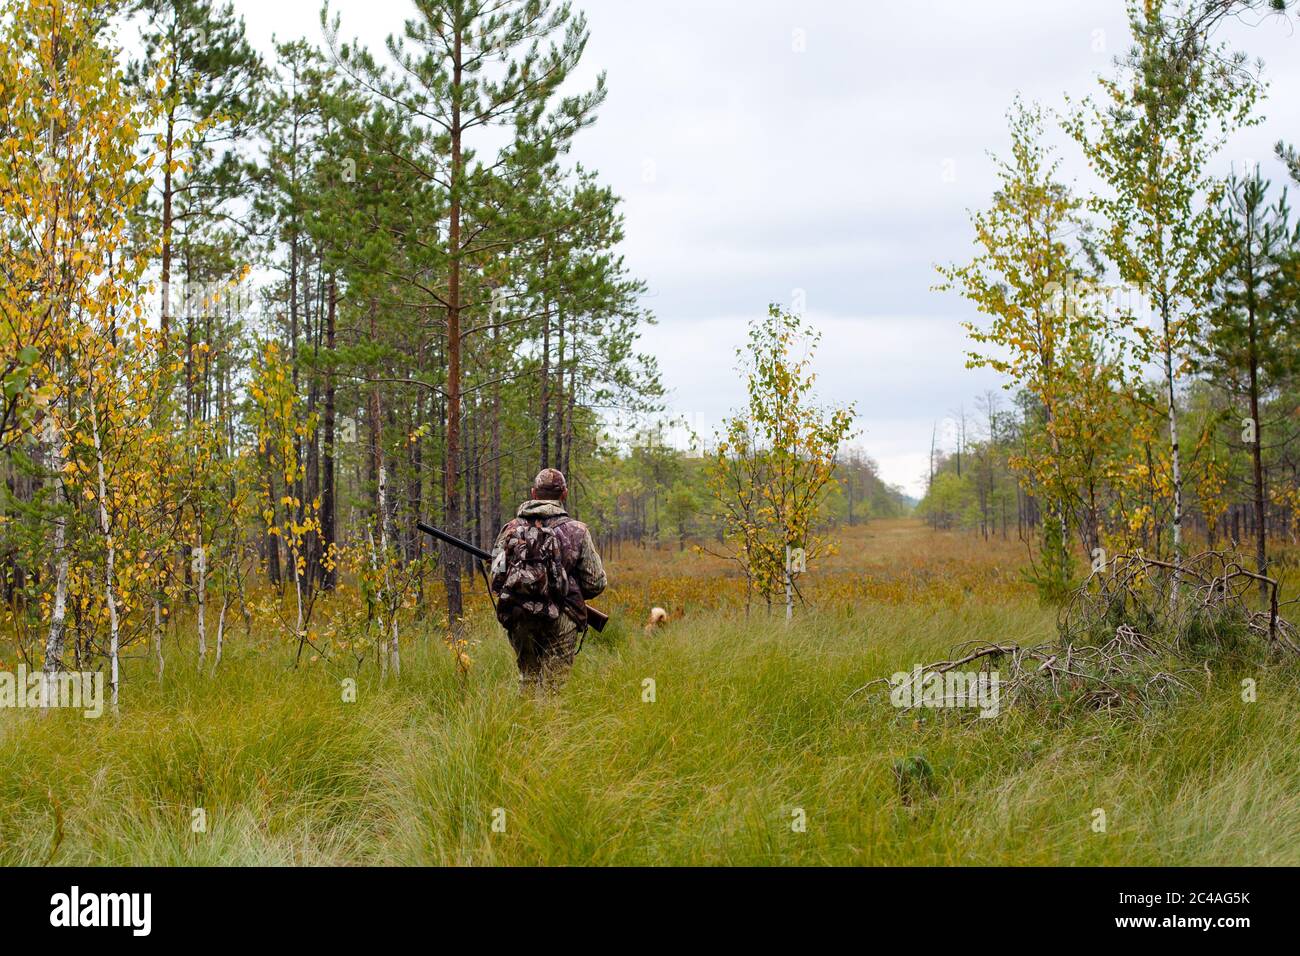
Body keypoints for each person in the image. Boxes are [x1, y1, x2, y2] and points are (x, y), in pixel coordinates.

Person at [489, 468, 606, 692]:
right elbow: (596, 583)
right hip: (563, 617)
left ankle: (527, 725)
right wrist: (565, 587)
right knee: (556, 686)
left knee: (528, 680)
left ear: (534, 493)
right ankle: (552, 726)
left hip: (521, 616)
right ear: (564, 494)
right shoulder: (577, 531)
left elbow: (497, 578)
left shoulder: (510, 529)